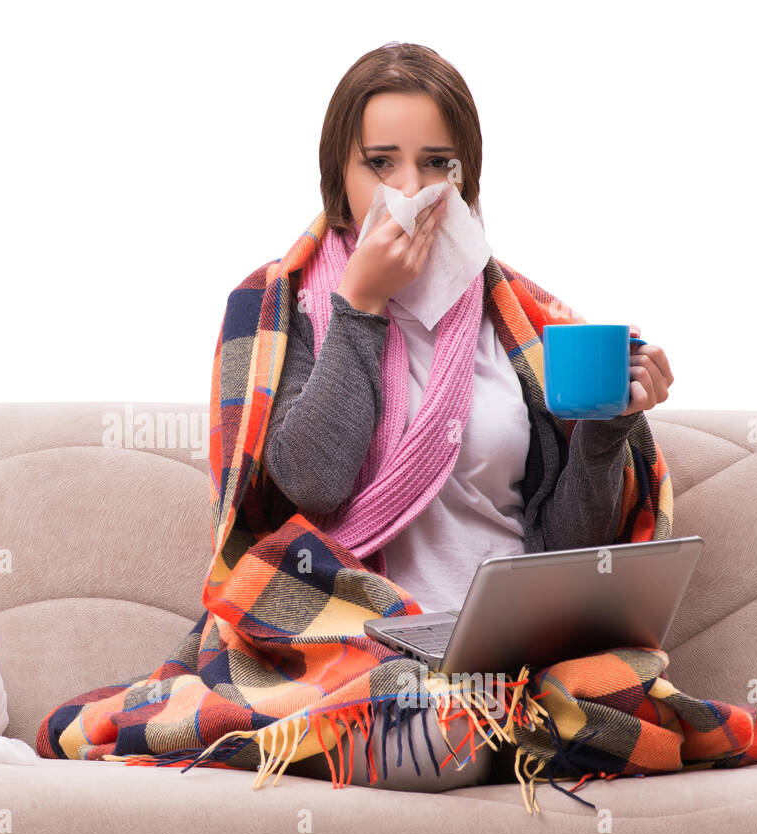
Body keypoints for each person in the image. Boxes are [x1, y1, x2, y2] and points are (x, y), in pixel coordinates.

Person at [265, 42, 675, 790]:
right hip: (368, 645)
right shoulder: (289, 308)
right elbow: (311, 484)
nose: (411, 190)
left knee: (605, 702)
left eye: (437, 165)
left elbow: (562, 546)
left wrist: (609, 428)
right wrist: (359, 304)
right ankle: (487, 733)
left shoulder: (519, 323)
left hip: (514, 653)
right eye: (381, 163)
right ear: (338, 180)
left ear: (468, 179)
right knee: (440, 732)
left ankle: (509, 723)